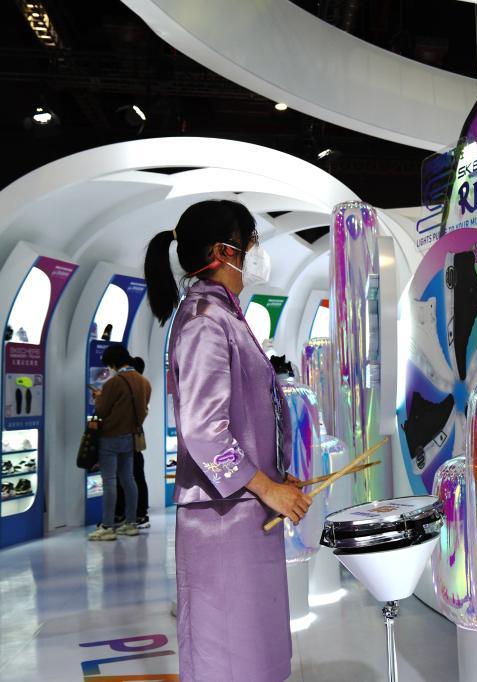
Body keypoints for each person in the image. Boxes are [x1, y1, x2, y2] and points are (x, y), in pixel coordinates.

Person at [144, 199, 311, 682]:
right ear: (223, 251)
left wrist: (276, 476)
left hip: (243, 511)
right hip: (221, 520)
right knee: (229, 653)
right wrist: (267, 487)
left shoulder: (225, 314)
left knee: (254, 647)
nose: (256, 251)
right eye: (251, 241)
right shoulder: (203, 320)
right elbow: (203, 430)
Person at [88, 344, 152, 541]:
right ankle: (131, 523)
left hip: (110, 437)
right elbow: (143, 410)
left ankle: (107, 526)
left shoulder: (114, 383)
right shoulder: (144, 382)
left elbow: (102, 410)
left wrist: (98, 397)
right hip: (130, 437)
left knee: (109, 481)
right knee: (129, 479)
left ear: (114, 362)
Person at [112, 355, 151, 528]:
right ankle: (131, 513)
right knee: (130, 476)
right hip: (133, 438)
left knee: (131, 476)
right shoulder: (142, 386)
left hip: (127, 438)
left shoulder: (136, 388)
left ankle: (137, 514)